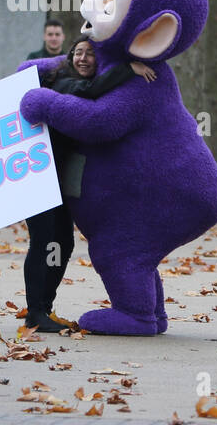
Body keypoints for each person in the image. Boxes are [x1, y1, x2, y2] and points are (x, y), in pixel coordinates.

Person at [21, 35, 155, 331]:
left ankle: (44, 308)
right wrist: (128, 69)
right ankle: (35, 313)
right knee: (44, 242)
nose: (82, 58)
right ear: (70, 58)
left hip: (56, 181)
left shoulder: (86, 85)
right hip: (36, 177)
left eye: (89, 54)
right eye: (78, 52)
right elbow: (88, 89)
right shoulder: (64, 83)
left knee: (62, 243)